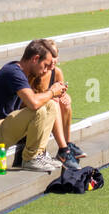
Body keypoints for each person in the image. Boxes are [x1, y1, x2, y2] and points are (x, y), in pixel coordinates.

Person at [0, 39, 74, 172]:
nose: (46, 70)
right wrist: (52, 92)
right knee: (38, 108)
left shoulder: (20, 72)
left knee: (50, 105)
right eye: (45, 65)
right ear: (35, 58)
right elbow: (33, 103)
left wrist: (53, 95)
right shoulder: (13, 73)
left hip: (5, 126)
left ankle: (39, 154)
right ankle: (30, 158)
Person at [30, 39, 85, 168]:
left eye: (56, 56)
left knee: (64, 103)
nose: (54, 60)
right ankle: (63, 150)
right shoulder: (35, 72)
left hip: (48, 111)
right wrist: (52, 95)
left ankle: (67, 143)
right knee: (53, 101)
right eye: (51, 57)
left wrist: (66, 97)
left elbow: (61, 93)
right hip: (38, 112)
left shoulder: (57, 72)